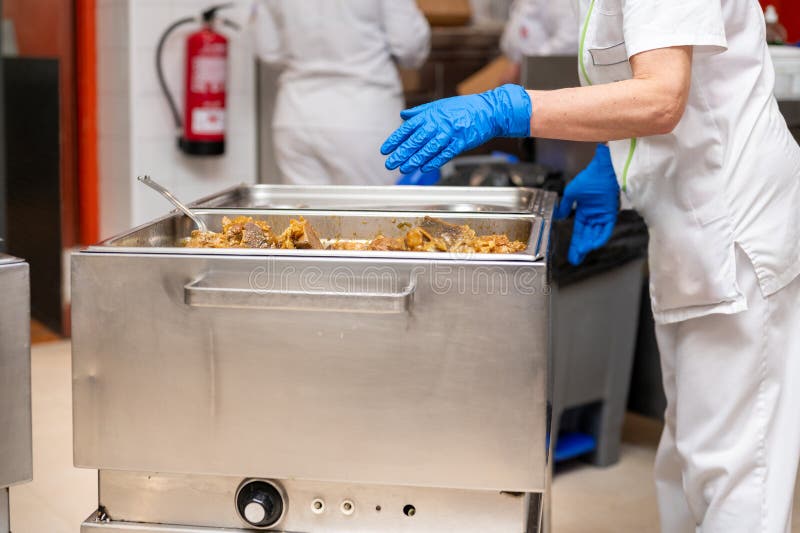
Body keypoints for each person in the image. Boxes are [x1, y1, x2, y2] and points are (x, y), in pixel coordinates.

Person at [381, 1, 800, 532]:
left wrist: (507, 108)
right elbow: (637, 75)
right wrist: (612, 159)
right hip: (688, 219)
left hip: (731, 223)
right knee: (689, 449)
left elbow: (661, 96)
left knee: (738, 464)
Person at [251, 0, 430, 185]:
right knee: (374, 210)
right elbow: (410, 47)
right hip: (363, 115)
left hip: (296, 113)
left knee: (305, 211)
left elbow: (268, 51)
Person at [499, 0, 578, 84]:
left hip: (547, 73)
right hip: (520, 69)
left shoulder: (563, 3)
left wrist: (527, 64)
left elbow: (569, 39)